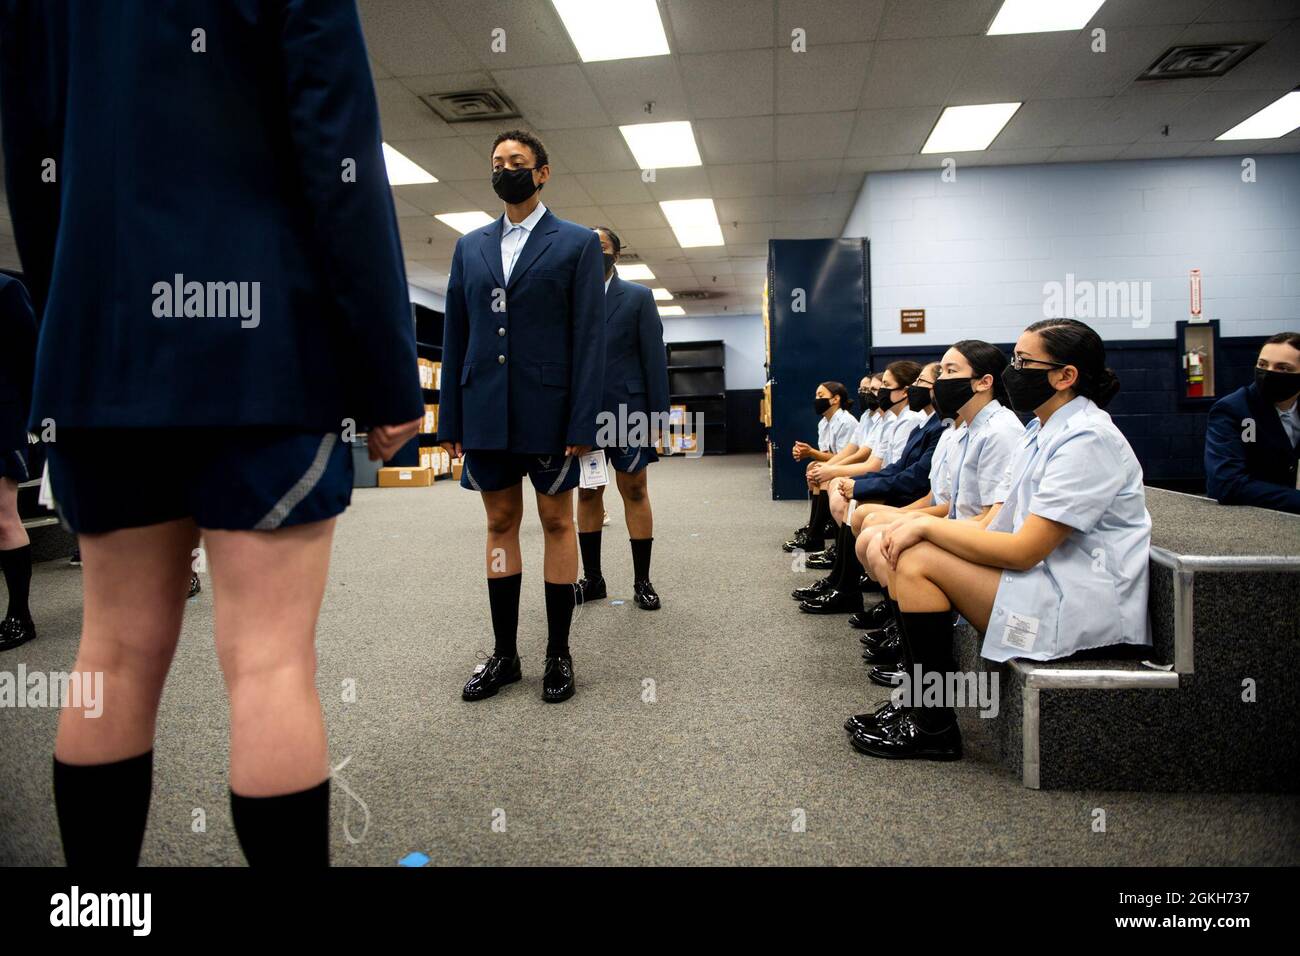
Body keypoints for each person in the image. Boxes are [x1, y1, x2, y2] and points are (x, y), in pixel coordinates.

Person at [0, 0, 423, 864]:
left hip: (106, 346)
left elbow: (33, 157)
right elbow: (337, 151)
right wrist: (387, 372)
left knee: (111, 649)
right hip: (261, 348)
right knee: (268, 660)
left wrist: (74, 323)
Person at [852, 319, 1150, 762]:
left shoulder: (1087, 437)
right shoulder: (1041, 431)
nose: (1014, 372)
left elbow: (1024, 549)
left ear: (1065, 376)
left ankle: (933, 725)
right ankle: (918, 705)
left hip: (1080, 606)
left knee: (916, 560)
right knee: (909, 546)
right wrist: (914, 524)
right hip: (1045, 583)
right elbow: (994, 523)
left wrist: (929, 527)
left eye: (1024, 362)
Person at [437, 130, 605, 705]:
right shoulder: (470, 245)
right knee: (499, 523)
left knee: (558, 523)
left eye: (517, 162)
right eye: (497, 163)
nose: (506, 170)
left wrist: (585, 422)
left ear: (542, 172)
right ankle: (505, 654)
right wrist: (451, 420)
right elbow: (456, 333)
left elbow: (589, 339)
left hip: (550, 412)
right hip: (485, 409)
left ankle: (558, 651)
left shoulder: (577, 243)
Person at [847, 340, 1022, 692]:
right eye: (939, 372)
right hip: (973, 536)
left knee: (908, 554)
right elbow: (948, 503)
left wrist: (923, 525)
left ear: (984, 381)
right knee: (888, 536)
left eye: (950, 372)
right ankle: (914, 670)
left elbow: (993, 522)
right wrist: (919, 521)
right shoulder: (966, 429)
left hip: (994, 551)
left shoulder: (1002, 431)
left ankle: (930, 707)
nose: (941, 381)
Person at [798, 363, 943, 615]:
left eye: (884, 387)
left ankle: (846, 586)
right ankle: (840, 580)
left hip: (913, 496)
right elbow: (895, 466)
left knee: (854, 506)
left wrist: (855, 483)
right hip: (902, 488)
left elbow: (910, 476)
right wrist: (852, 480)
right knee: (848, 497)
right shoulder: (919, 424)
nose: (875, 394)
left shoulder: (918, 422)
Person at [576, 226, 670, 611]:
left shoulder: (638, 297)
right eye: (589, 248)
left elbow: (653, 359)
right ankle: (593, 579)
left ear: (616, 253)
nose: (596, 253)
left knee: (634, 490)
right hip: (584, 414)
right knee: (587, 491)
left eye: (603, 247)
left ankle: (642, 581)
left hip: (628, 412)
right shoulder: (570, 298)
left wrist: (658, 416)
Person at [1204, 331, 1300, 514]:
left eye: (1283, 368)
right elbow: (1227, 484)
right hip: (1248, 518)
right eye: (1263, 364)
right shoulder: (1233, 410)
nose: (1269, 373)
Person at [0, 273, 37, 651]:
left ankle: (19, 617)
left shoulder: (6, 289)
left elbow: (30, 359)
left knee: (3, 517)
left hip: (3, 418)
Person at [782, 381, 856, 561]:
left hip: (850, 465)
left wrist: (811, 453)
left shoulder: (846, 422)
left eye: (821, 396)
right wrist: (808, 454)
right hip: (839, 463)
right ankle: (815, 526)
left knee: (821, 474)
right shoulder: (824, 422)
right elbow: (827, 455)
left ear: (835, 399)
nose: (817, 400)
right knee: (813, 467)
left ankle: (815, 534)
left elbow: (842, 456)